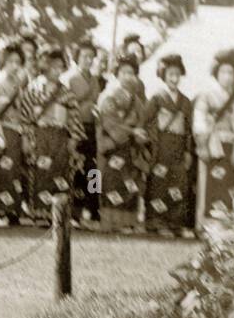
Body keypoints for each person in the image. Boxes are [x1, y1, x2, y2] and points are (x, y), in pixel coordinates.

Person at [21, 45, 83, 224]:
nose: (56, 70)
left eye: (60, 67)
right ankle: (39, 212)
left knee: (61, 172)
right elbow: (25, 118)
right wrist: (26, 138)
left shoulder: (66, 93)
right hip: (39, 135)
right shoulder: (32, 90)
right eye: (53, 66)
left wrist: (74, 139)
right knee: (41, 173)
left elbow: (74, 118)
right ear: (44, 66)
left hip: (61, 137)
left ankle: (59, 214)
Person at [142, 53, 195, 237]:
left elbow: (188, 128)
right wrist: (152, 142)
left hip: (179, 144)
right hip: (161, 144)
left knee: (178, 183)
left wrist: (188, 150)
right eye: (170, 74)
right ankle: (157, 222)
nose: (174, 78)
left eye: (177, 75)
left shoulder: (186, 101)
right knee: (159, 183)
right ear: (163, 75)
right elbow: (146, 122)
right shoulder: (156, 98)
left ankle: (176, 223)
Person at [194, 49, 234, 227]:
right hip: (213, 145)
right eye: (223, 72)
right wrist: (201, 144)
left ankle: (227, 225)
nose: (227, 76)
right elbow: (199, 119)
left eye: (231, 72)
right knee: (212, 184)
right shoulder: (207, 95)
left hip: (232, 146)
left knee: (229, 186)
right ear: (216, 73)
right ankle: (208, 225)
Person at [96, 53, 147, 233]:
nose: (128, 76)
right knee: (111, 182)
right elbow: (109, 122)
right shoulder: (107, 96)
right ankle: (110, 222)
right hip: (111, 145)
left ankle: (127, 222)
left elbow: (143, 119)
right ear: (116, 74)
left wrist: (140, 133)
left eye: (131, 73)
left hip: (129, 148)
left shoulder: (136, 99)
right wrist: (133, 131)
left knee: (129, 183)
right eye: (124, 72)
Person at [0, 40, 30, 225]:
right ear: (3, 62)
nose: (14, 66)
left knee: (13, 172)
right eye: (10, 62)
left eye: (18, 62)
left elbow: (24, 110)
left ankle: (11, 210)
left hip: (16, 131)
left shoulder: (19, 84)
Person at [62, 41, 102, 227]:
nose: (88, 60)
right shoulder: (69, 78)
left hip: (92, 128)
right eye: (84, 56)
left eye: (91, 56)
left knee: (93, 168)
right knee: (76, 168)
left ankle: (93, 209)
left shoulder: (94, 79)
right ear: (77, 57)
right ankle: (75, 212)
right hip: (75, 127)